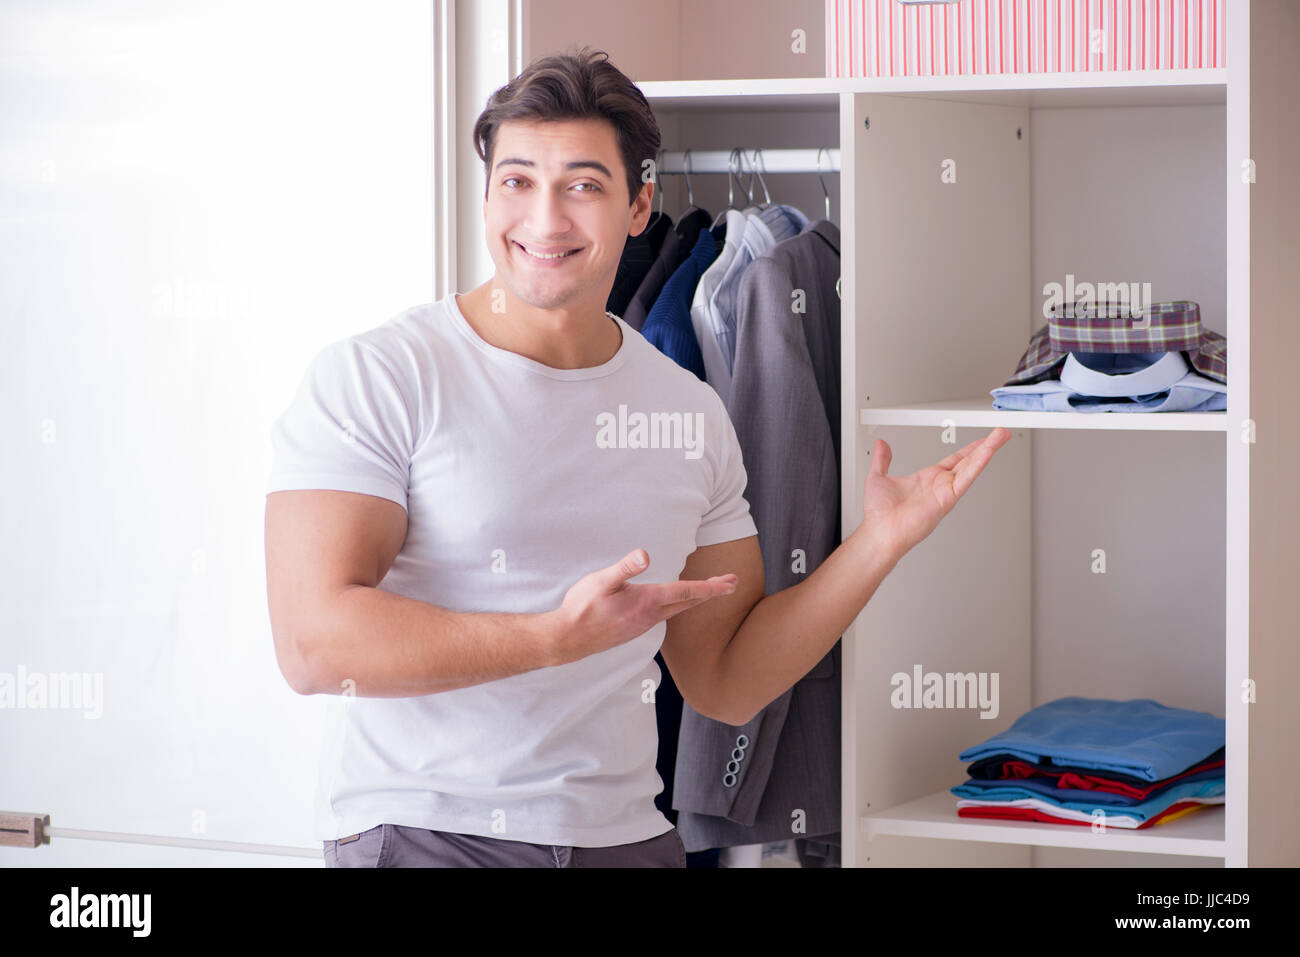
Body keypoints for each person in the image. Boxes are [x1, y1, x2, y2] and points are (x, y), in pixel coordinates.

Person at [263, 47, 1011, 868]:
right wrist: (552, 637)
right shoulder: (381, 374)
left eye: (582, 185)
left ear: (639, 204)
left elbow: (725, 675)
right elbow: (313, 642)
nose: (545, 219)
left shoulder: (687, 411)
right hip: (429, 832)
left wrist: (877, 544)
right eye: (517, 181)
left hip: (626, 840)